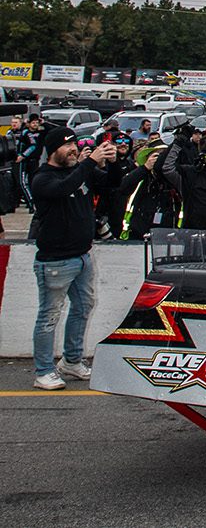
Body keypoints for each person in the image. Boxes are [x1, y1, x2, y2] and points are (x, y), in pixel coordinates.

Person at [30, 128, 120, 390]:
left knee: (82, 308)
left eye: (75, 145)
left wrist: (112, 162)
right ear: (53, 150)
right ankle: (43, 371)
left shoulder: (80, 171)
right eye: (67, 146)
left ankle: (72, 360)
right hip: (55, 261)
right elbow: (63, 188)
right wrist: (88, 162)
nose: (73, 149)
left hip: (82, 256)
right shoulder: (43, 178)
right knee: (49, 317)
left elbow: (114, 185)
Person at [117, 146, 176, 240]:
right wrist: (145, 168)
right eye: (158, 156)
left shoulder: (174, 178)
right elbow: (122, 186)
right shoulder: (141, 176)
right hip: (138, 231)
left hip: (167, 232)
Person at [15, 112, 46, 212]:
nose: (35, 124)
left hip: (34, 161)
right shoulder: (25, 132)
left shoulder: (40, 133)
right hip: (24, 161)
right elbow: (19, 144)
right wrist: (21, 156)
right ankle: (30, 202)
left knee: (33, 182)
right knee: (22, 182)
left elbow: (33, 146)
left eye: (37, 122)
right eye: (33, 122)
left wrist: (44, 123)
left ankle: (33, 202)